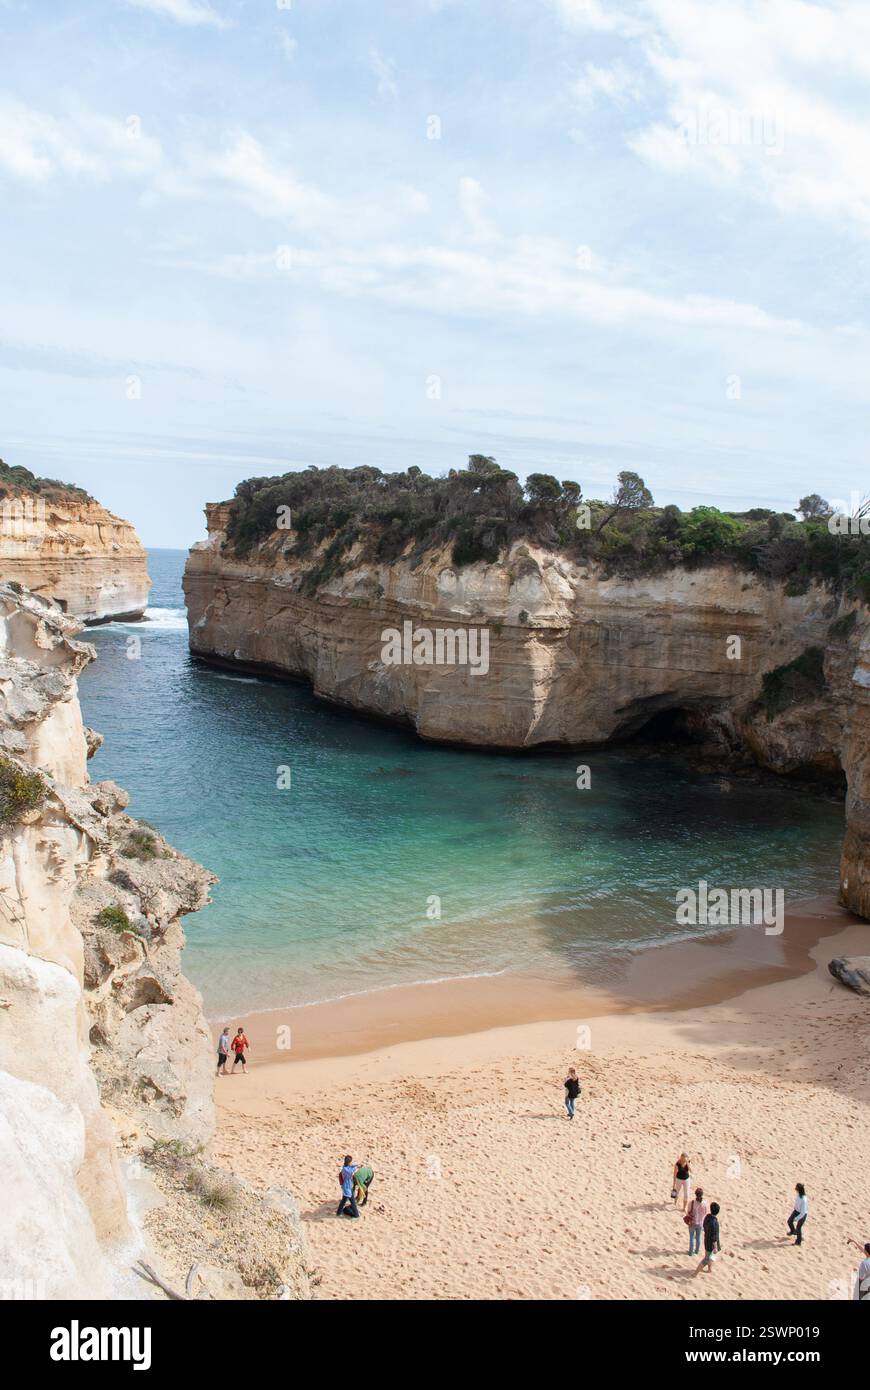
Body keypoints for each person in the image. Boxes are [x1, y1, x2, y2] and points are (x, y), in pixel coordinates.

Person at [695, 1201, 721, 1275]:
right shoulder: (714, 1223)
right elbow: (714, 1236)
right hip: (711, 1243)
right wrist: (715, 1247)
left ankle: (709, 1269)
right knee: (707, 1258)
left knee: (709, 1255)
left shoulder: (707, 1217)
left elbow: (704, 1226)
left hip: (706, 1239)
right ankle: (696, 1272)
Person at [686, 1186, 708, 1257]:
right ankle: (697, 1251)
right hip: (700, 1223)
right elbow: (705, 1213)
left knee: (691, 1237)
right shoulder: (704, 1203)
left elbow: (688, 1211)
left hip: (692, 1222)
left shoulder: (692, 1203)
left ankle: (690, 1252)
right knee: (698, 1237)